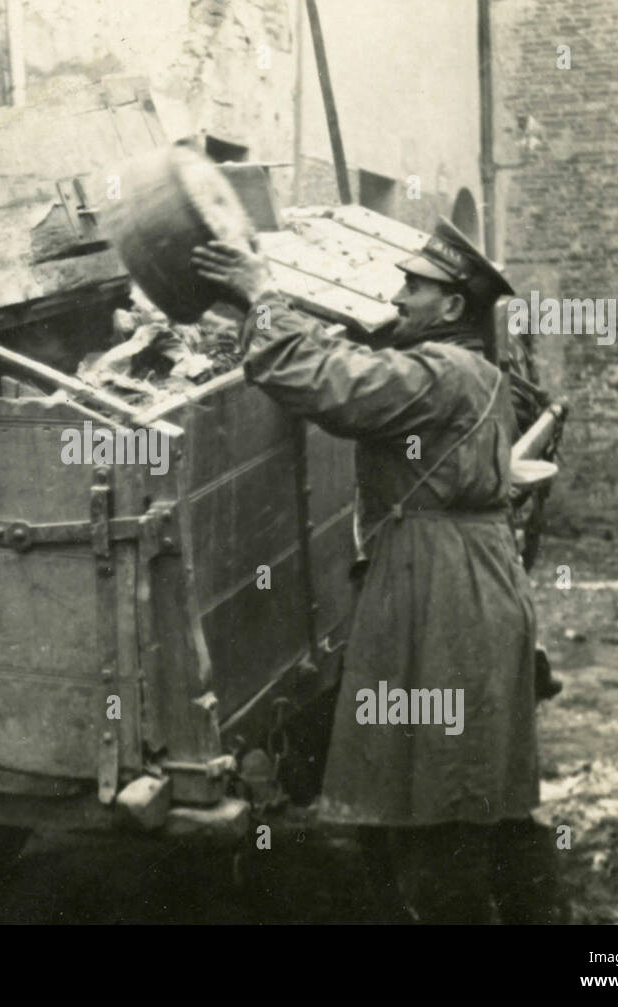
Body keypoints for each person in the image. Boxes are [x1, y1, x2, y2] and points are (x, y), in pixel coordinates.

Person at [192, 220, 560, 924]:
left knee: (440, 791)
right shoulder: (472, 370)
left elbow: (328, 381)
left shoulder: (442, 376)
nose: (399, 296)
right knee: (487, 790)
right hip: (470, 580)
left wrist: (262, 295)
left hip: (445, 594)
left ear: (452, 307)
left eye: (413, 287)